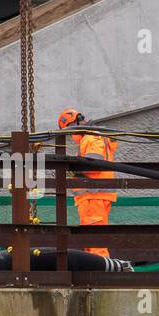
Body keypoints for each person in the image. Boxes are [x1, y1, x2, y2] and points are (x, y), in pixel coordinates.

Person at [58, 108, 117, 259]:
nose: (72, 137)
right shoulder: (94, 138)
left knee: (94, 238)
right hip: (94, 196)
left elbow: (93, 164)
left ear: (74, 126)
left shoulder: (91, 139)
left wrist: (72, 170)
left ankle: (99, 273)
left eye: (70, 132)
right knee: (92, 237)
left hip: (93, 196)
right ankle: (95, 271)